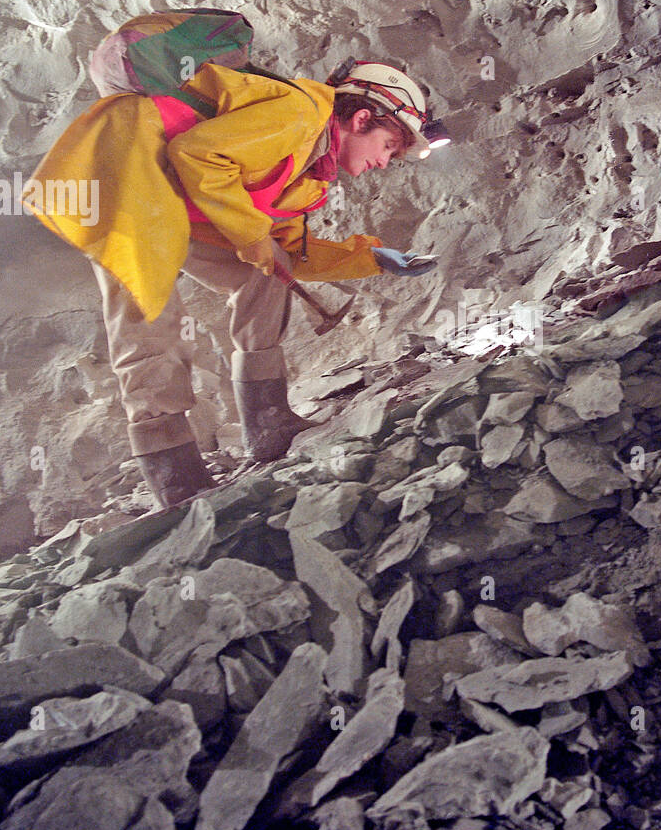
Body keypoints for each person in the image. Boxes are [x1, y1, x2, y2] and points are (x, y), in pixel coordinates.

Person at [24, 59, 441, 509]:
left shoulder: (307, 167)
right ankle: (175, 478)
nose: (384, 163)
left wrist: (370, 257)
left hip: (174, 195)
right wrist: (251, 236)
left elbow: (287, 252)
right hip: (123, 167)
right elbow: (197, 153)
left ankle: (269, 423)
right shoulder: (299, 115)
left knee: (263, 272)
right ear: (361, 119)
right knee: (150, 310)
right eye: (388, 146)